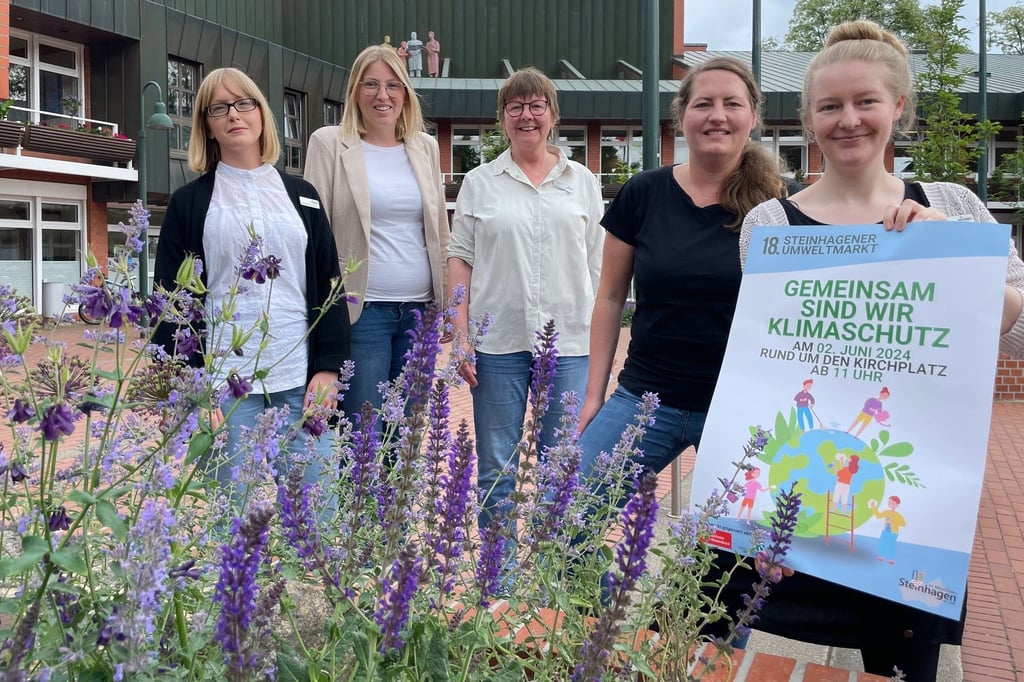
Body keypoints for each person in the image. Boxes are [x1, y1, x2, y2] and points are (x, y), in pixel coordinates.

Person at [731, 20, 1024, 680]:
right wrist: (751, 515)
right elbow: (767, 372)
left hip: (911, 521)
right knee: (787, 663)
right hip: (797, 516)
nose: (849, 120)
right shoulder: (771, 226)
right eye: (830, 106)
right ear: (808, 119)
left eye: (866, 101)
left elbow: (1020, 339)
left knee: (912, 668)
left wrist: (954, 257)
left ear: (898, 106)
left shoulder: (954, 207)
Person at [576, 56, 787, 498]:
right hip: (647, 398)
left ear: (753, 116)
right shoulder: (643, 193)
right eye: (703, 104)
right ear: (682, 117)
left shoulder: (782, 206)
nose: (717, 115)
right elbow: (611, 297)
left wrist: (916, 218)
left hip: (744, 407)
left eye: (732, 103)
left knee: (752, 549)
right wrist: (595, 395)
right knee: (559, 515)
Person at [152, 67, 351, 509]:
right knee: (228, 520)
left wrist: (330, 368)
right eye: (218, 108)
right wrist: (191, 387)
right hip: (223, 385)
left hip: (300, 379)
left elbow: (330, 284)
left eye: (244, 103)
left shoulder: (303, 195)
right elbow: (170, 300)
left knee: (315, 514)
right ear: (206, 124)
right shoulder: (189, 203)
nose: (234, 115)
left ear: (262, 114)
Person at [447, 67, 604, 551]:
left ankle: (555, 573)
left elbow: (601, 266)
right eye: (515, 106)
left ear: (553, 116)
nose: (526, 115)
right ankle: (500, 581)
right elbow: (461, 259)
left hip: (571, 344)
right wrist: (460, 335)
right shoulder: (479, 182)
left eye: (537, 105)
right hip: (498, 345)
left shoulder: (582, 182)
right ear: (502, 118)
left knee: (562, 461)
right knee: (497, 466)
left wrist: (601, 343)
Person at [304, 45, 448, 430]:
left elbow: (439, 231)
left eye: (392, 85)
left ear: (405, 93)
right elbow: (312, 235)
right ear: (355, 91)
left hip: (421, 312)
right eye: (371, 84)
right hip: (361, 312)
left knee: (407, 436)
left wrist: (448, 306)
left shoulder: (426, 148)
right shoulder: (329, 143)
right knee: (365, 434)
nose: (382, 95)